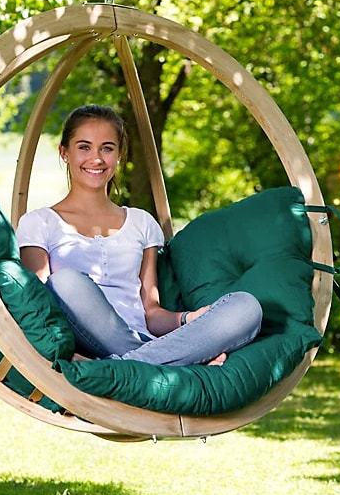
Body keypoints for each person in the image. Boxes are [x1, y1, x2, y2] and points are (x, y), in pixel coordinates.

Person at [16, 105, 262, 367]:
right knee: (65, 283)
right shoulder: (39, 222)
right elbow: (39, 308)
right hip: (82, 339)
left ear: (119, 155)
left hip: (142, 339)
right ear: (64, 152)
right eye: (84, 147)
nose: (96, 158)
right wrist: (66, 353)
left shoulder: (141, 222)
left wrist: (186, 320)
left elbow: (151, 312)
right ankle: (176, 361)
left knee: (247, 307)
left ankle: (127, 365)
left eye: (107, 148)